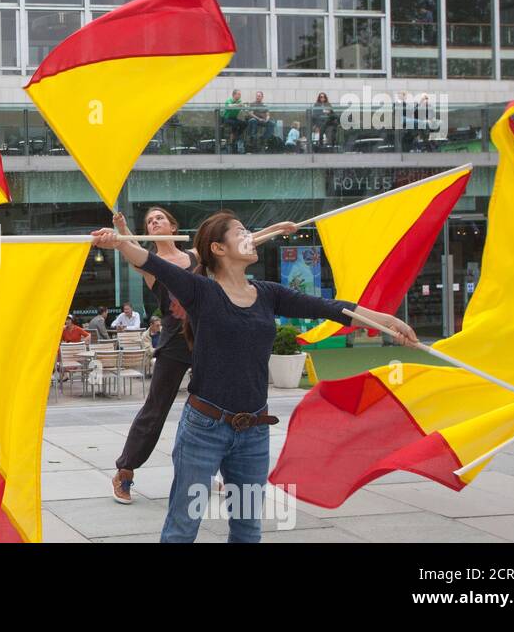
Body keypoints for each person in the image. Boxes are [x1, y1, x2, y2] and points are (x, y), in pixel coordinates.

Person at [91, 211, 417, 542]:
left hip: (254, 433)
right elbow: (151, 262)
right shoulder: (199, 291)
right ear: (218, 248)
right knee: (182, 528)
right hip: (204, 430)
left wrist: (384, 320)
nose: (250, 236)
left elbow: (328, 307)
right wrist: (119, 241)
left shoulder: (268, 293)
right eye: (241, 232)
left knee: (248, 531)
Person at [110, 209, 299, 504]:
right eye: (149, 221)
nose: (154, 222)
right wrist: (121, 231)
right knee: (155, 409)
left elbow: (240, 245)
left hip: (208, 338)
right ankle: (125, 471)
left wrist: (275, 228)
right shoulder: (150, 266)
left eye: (160, 218)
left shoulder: (196, 254)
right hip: (174, 343)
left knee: (222, 404)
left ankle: (216, 473)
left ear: (173, 225)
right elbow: (133, 252)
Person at [221, 89, 246, 154]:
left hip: (234, 118)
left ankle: (237, 136)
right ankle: (232, 140)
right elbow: (229, 106)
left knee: (244, 123)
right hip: (226, 118)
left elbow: (243, 106)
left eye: (240, 94)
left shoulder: (239, 101)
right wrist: (238, 105)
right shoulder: (229, 100)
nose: (240, 95)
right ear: (234, 95)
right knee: (235, 124)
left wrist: (244, 106)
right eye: (238, 94)